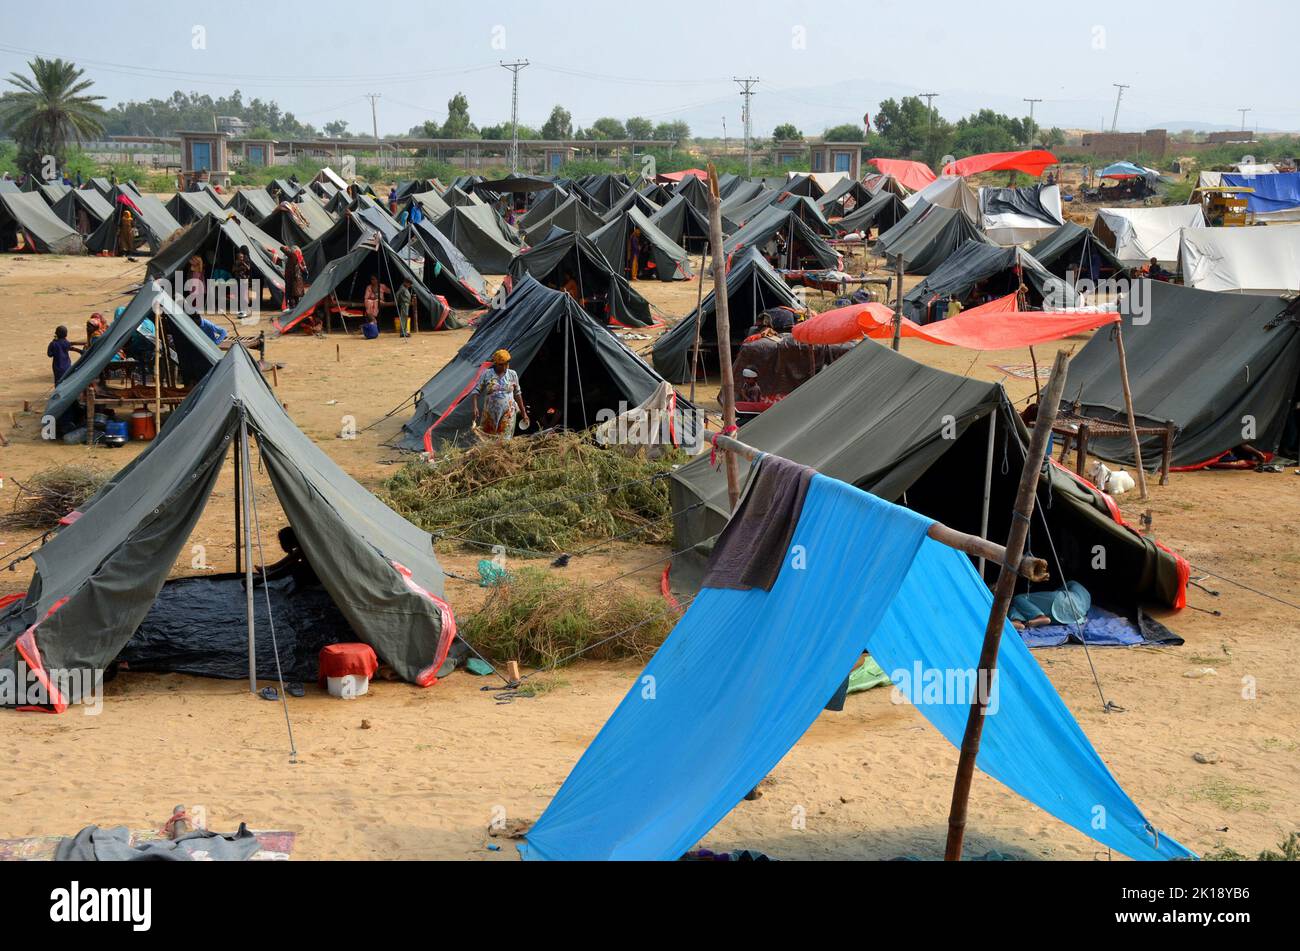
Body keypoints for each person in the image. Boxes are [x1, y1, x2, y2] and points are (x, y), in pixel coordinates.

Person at [472, 349, 528, 439]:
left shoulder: (512, 374)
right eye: (501, 364)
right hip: (490, 414)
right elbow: (476, 391)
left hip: (508, 414)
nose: (505, 367)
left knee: (504, 439)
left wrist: (523, 413)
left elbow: (518, 393)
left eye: (507, 364)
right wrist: (475, 407)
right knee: (487, 439)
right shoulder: (487, 374)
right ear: (495, 363)